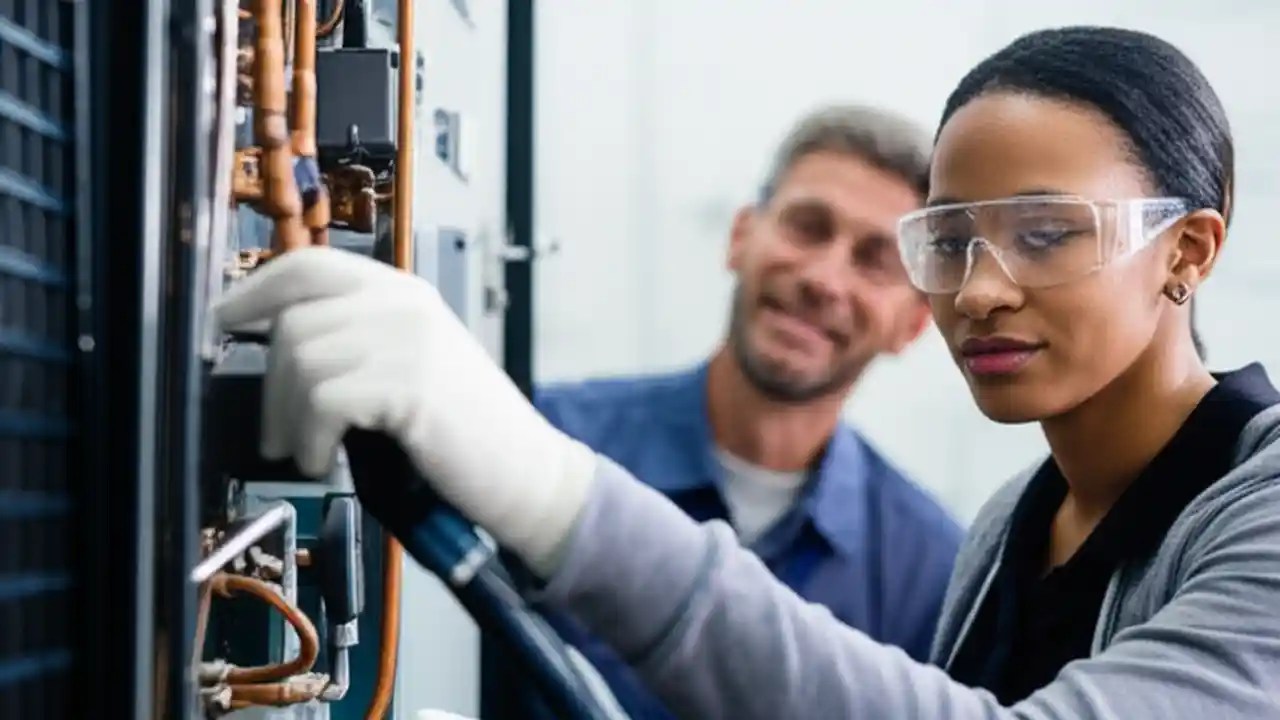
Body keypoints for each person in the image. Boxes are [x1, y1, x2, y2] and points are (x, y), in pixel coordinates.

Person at [214, 25, 1280, 719]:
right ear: (741, 236)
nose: (979, 291)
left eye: (1046, 234)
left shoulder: (1259, 506)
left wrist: (548, 489)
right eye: (950, 242)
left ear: (1185, 251)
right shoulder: (1013, 523)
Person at [523, 105, 963, 719]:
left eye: (874, 260)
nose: (824, 278)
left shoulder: (932, 576)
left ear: (913, 324)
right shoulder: (544, 441)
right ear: (740, 237)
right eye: (807, 227)